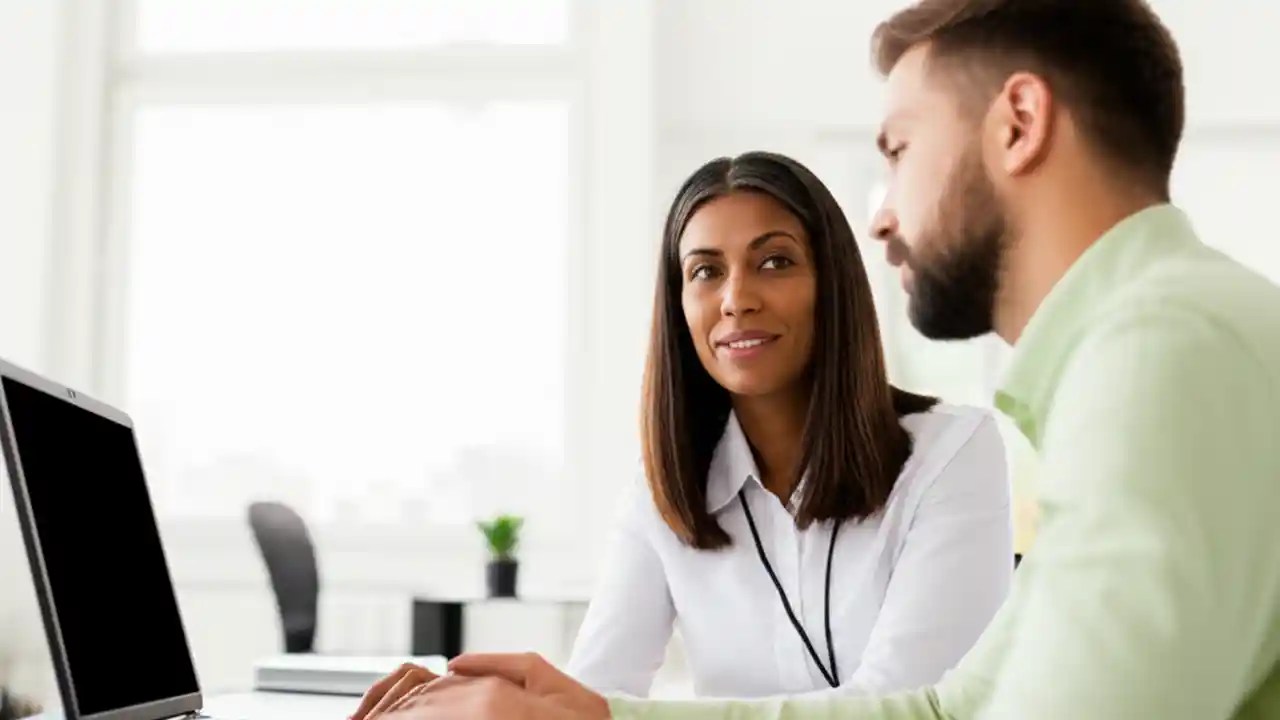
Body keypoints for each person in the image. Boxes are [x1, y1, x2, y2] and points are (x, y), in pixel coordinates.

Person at [369, 0, 1280, 718]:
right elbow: (945, 710)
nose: (882, 215)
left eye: (899, 149)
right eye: (704, 272)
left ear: (1019, 123)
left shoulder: (1161, 354)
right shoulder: (1155, 345)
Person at [351, 152, 1014, 718]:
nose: (735, 298)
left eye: (775, 262)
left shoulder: (951, 454)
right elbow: (598, 690)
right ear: (679, 304)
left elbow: (909, 707)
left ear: (831, 286)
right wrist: (478, 699)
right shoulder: (664, 489)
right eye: (704, 271)